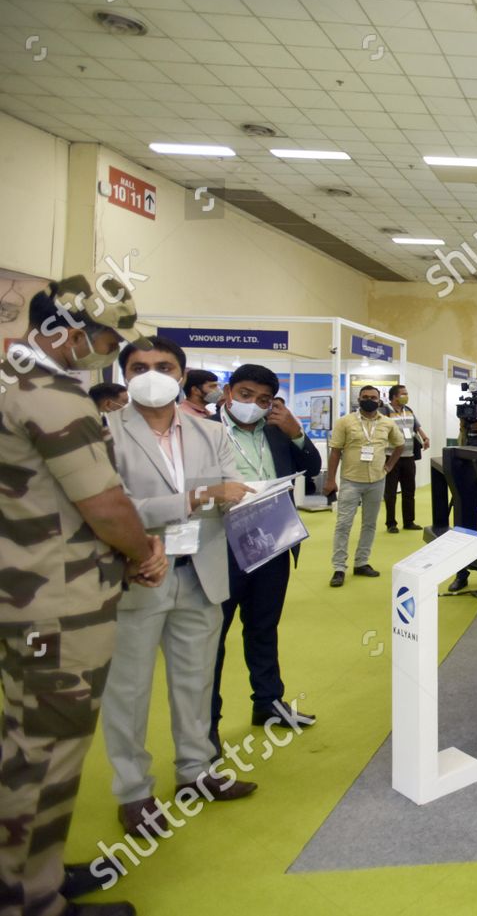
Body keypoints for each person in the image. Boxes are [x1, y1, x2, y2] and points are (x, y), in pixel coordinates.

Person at [0, 274, 167, 916]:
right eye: (103, 338)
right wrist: (142, 550)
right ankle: (32, 900)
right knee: (48, 750)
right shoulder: (52, 396)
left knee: (21, 741)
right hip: (60, 603)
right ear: (68, 332)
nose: (107, 351)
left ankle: (24, 872)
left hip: (21, 594)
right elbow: (104, 504)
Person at [102, 336, 259, 840]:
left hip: (202, 569)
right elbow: (111, 508)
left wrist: (241, 498)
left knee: (195, 681)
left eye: (163, 366)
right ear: (125, 375)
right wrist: (196, 497)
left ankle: (197, 772)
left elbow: (231, 483)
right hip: (140, 573)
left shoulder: (208, 430)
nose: (151, 373)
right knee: (129, 691)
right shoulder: (103, 434)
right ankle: (133, 792)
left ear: (180, 374)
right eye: (140, 366)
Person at [209, 364, 321, 746]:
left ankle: (268, 702)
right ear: (227, 392)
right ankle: (207, 721)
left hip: (272, 539)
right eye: (244, 395)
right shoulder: (201, 430)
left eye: (262, 399)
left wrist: (297, 433)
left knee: (263, 627)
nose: (252, 405)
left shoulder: (276, 430)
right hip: (218, 545)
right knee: (212, 636)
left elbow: (314, 468)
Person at [325, 385, 404, 588]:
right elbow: (335, 452)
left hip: (377, 481)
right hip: (351, 480)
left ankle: (361, 562)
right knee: (343, 525)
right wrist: (330, 480)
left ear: (379, 400)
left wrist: (389, 466)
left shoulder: (387, 423)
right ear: (358, 400)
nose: (369, 400)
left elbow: (400, 445)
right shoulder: (345, 422)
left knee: (369, 524)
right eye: (365, 397)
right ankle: (339, 567)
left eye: (373, 397)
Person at [380, 384, 429, 534]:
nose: (406, 396)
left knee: (409, 491)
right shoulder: (385, 411)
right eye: (403, 394)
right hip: (391, 457)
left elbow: (417, 427)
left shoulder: (408, 410)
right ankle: (391, 523)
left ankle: (409, 521)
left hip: (408, 456)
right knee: (391, 492)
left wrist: (425, 437)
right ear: (394, 396)